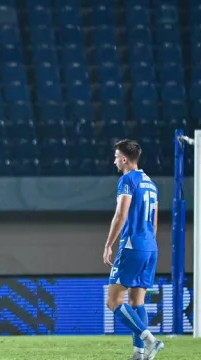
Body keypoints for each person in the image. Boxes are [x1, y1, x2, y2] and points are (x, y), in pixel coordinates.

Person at [102, 140, 164, 360]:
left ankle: (150, 340)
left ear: (125, 159)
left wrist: (109, 244)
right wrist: (147, 245)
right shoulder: (151, 183)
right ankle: (140, 354)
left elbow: (121, 214)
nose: (115, 160)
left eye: (117, 156)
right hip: (150, 247)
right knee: (137, 302)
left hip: (132, 245)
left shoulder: (127, 180)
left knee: (113, 301)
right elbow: (155, 221)